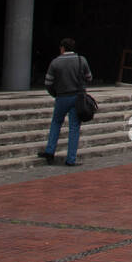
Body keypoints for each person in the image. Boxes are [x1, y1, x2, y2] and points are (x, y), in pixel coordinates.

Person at [38, 37, 92, 166]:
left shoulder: (55, 62)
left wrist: (54, 93)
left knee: (56, 122)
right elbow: (89, 77)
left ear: (62, 48)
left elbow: (48, 83)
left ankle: (50, 151)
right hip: (77, 97)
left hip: (62, 97)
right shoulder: (81, 60)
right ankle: (71, 159)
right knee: (74, 127)